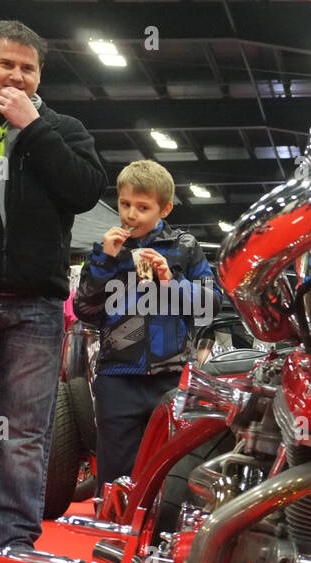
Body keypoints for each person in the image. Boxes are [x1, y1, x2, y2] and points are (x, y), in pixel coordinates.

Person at [0, 20, 106, 563]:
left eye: (29, 67)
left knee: (27, 434)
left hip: (36, 305)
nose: (17, 75)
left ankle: (15, 546)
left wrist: (34, 127)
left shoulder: (62, 128)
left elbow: (85, 189)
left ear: (40, 74)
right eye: (7, 64)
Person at [72, 160, 220, 486]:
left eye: (143, 207)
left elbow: (211, 304)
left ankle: (162, 533)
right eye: (125, 204)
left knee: (168, 471)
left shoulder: (185, 247)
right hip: (115, 377)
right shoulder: (106, 249)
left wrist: (171, 282)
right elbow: (83, 309)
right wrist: (103, 262)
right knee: (114, 473)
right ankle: (115, 531)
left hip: (170, 379)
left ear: (164, 209)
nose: (131, 214)